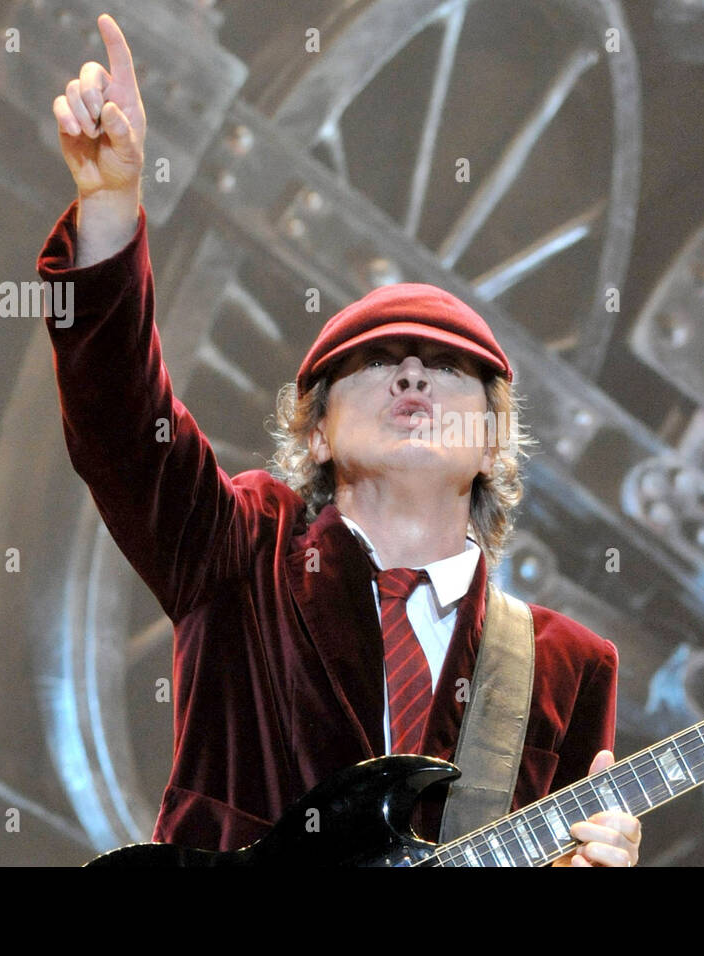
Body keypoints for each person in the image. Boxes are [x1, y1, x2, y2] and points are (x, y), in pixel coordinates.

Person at [40, 12, 641, 867]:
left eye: (447, 367)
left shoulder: (568, 666)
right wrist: (107, 208)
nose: (411, 378)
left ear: (494, 444)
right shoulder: (245, 547)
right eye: (375, 363)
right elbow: (121, 425)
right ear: (315, 433)